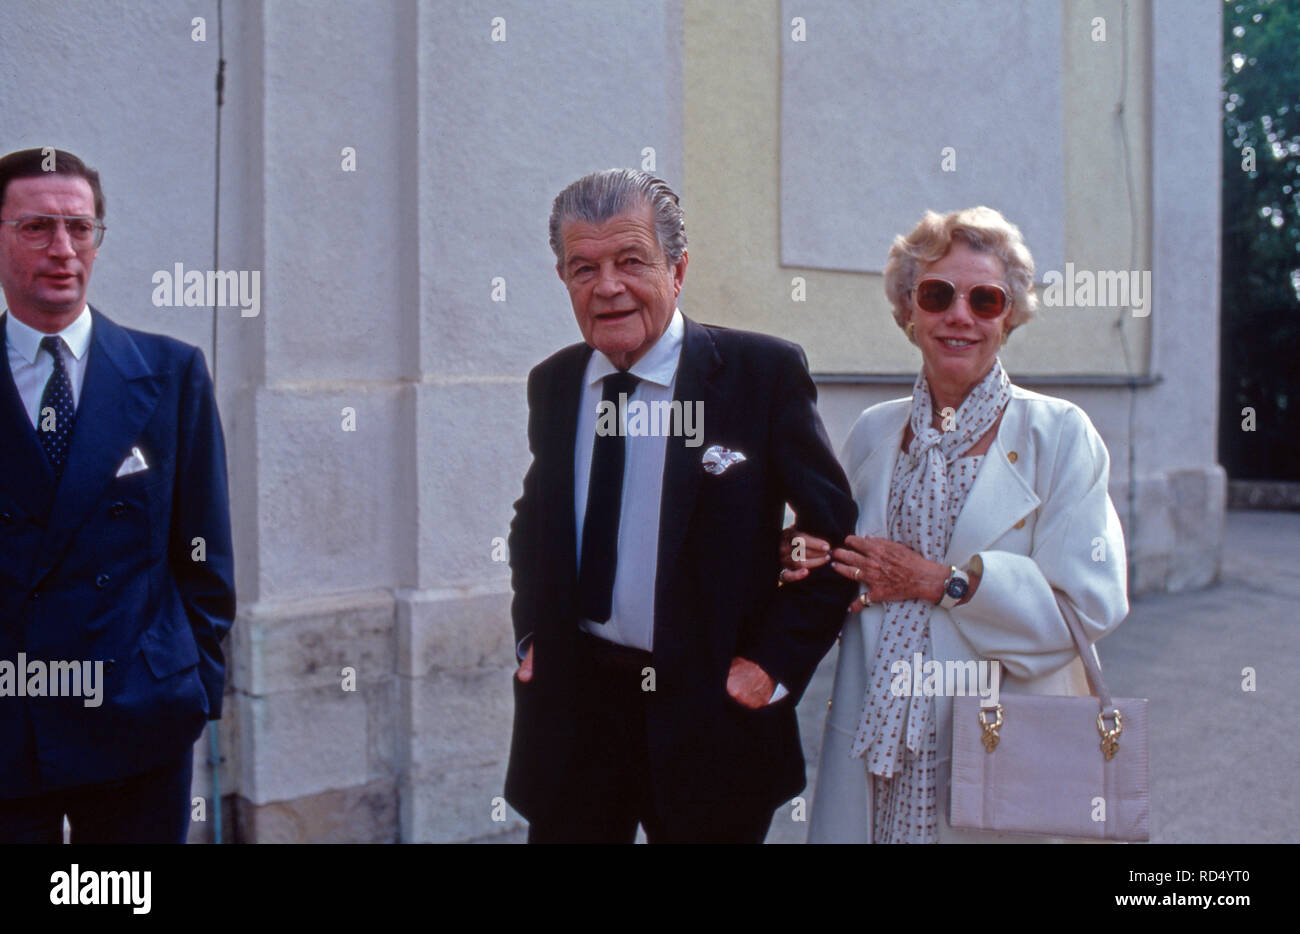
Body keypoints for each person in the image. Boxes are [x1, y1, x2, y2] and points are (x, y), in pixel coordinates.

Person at [503, 168, 858, 843]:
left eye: (630, 260)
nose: (607, 286)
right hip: (577, 718)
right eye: (584, 267)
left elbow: (835, 536)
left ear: (678, 268)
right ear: (564, 280)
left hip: (711, 721)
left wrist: (771, 668)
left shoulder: (760, 377)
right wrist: (532, 638)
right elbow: (533, 523)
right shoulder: (554, 385)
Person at [781, 206, 1129, 843]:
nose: (959, 316)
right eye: (937, 295)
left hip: (999, 739)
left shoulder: (1060, 435)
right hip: (879, 738)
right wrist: (805, 556)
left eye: (985, 299)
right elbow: (847, 565)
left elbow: (1090, 600)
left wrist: (942, 581)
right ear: (908, 311)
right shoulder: (874, 433)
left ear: (1009, 316)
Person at [0, 148, 235, 843]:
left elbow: (206, 557)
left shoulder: (169, 373)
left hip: (138, 717)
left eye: (81, 227)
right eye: (36, 227)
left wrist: (188, 684)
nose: (62, 249)